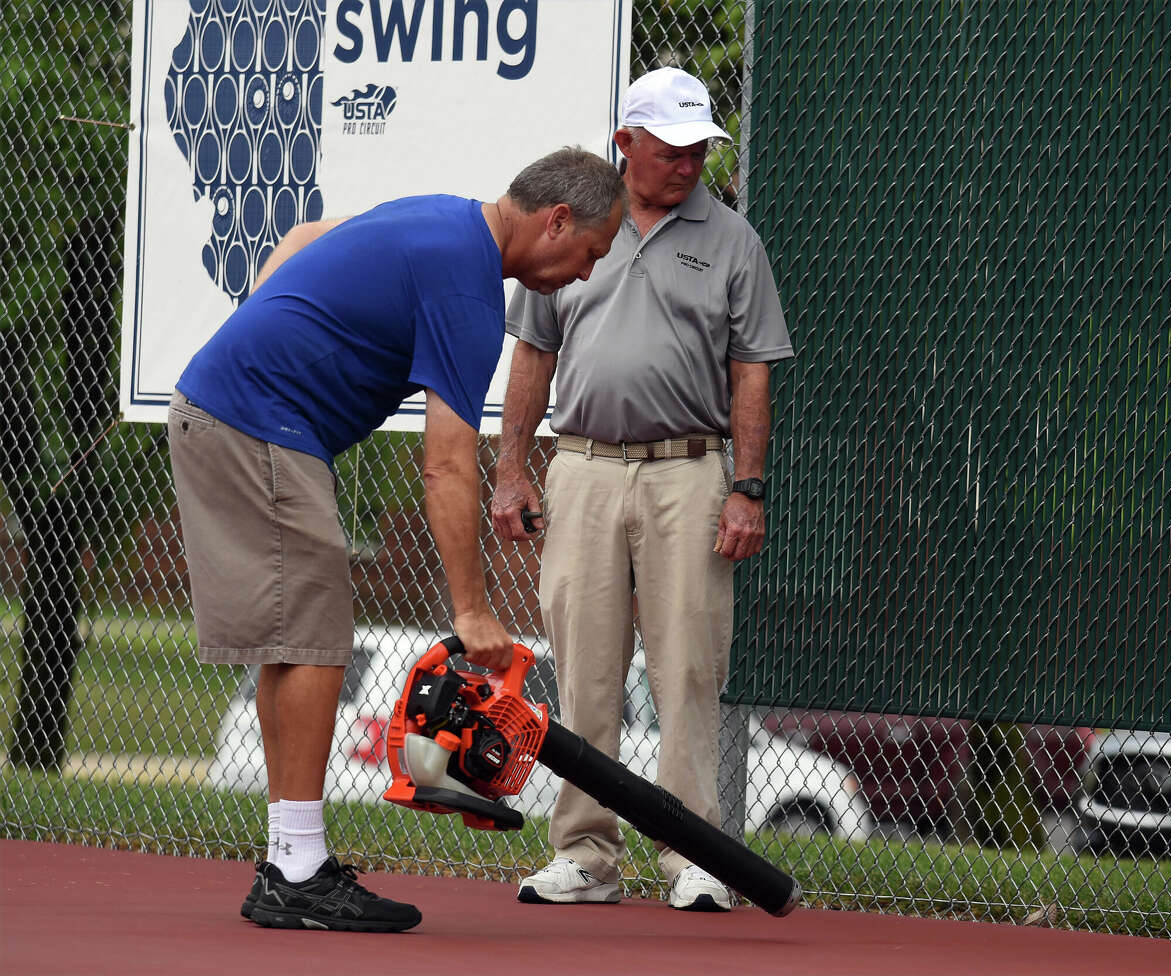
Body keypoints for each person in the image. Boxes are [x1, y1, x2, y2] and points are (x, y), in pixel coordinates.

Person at [168, 147, 626, 932]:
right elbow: (447, 466)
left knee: (295, 641)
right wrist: (474, 610)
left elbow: (304, 238)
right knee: (314, 640)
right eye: (590, 252)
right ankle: (299, 873)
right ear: (556, 221)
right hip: (256, 423)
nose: (584, 274)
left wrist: (262, 327)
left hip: (231, 410)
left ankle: (290, 861)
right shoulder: (468, 290)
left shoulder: (444, 217)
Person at [490, 68, 794, 912]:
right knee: (584, 667)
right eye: (670, 149)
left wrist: (749, 487)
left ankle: (695, 855)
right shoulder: (576, 226)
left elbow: (753, 373)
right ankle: (586, 854)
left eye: (700, 148)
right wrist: (511, 469)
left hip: (690, 472)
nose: (689, 162)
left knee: (689, 667)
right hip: (581, 466)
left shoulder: (735, 240)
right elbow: (532, 355)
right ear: (625, 144)